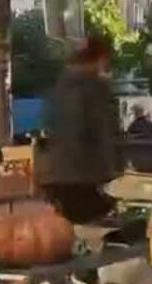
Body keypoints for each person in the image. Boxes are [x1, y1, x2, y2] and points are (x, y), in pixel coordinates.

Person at [43, 35, 120, 224]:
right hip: (90, 178)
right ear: (101, 58)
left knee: (71, 234)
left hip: (57, 176)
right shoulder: (97, 89)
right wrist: (116, 172)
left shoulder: (57, 89)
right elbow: (106, 134)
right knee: (97, 232)